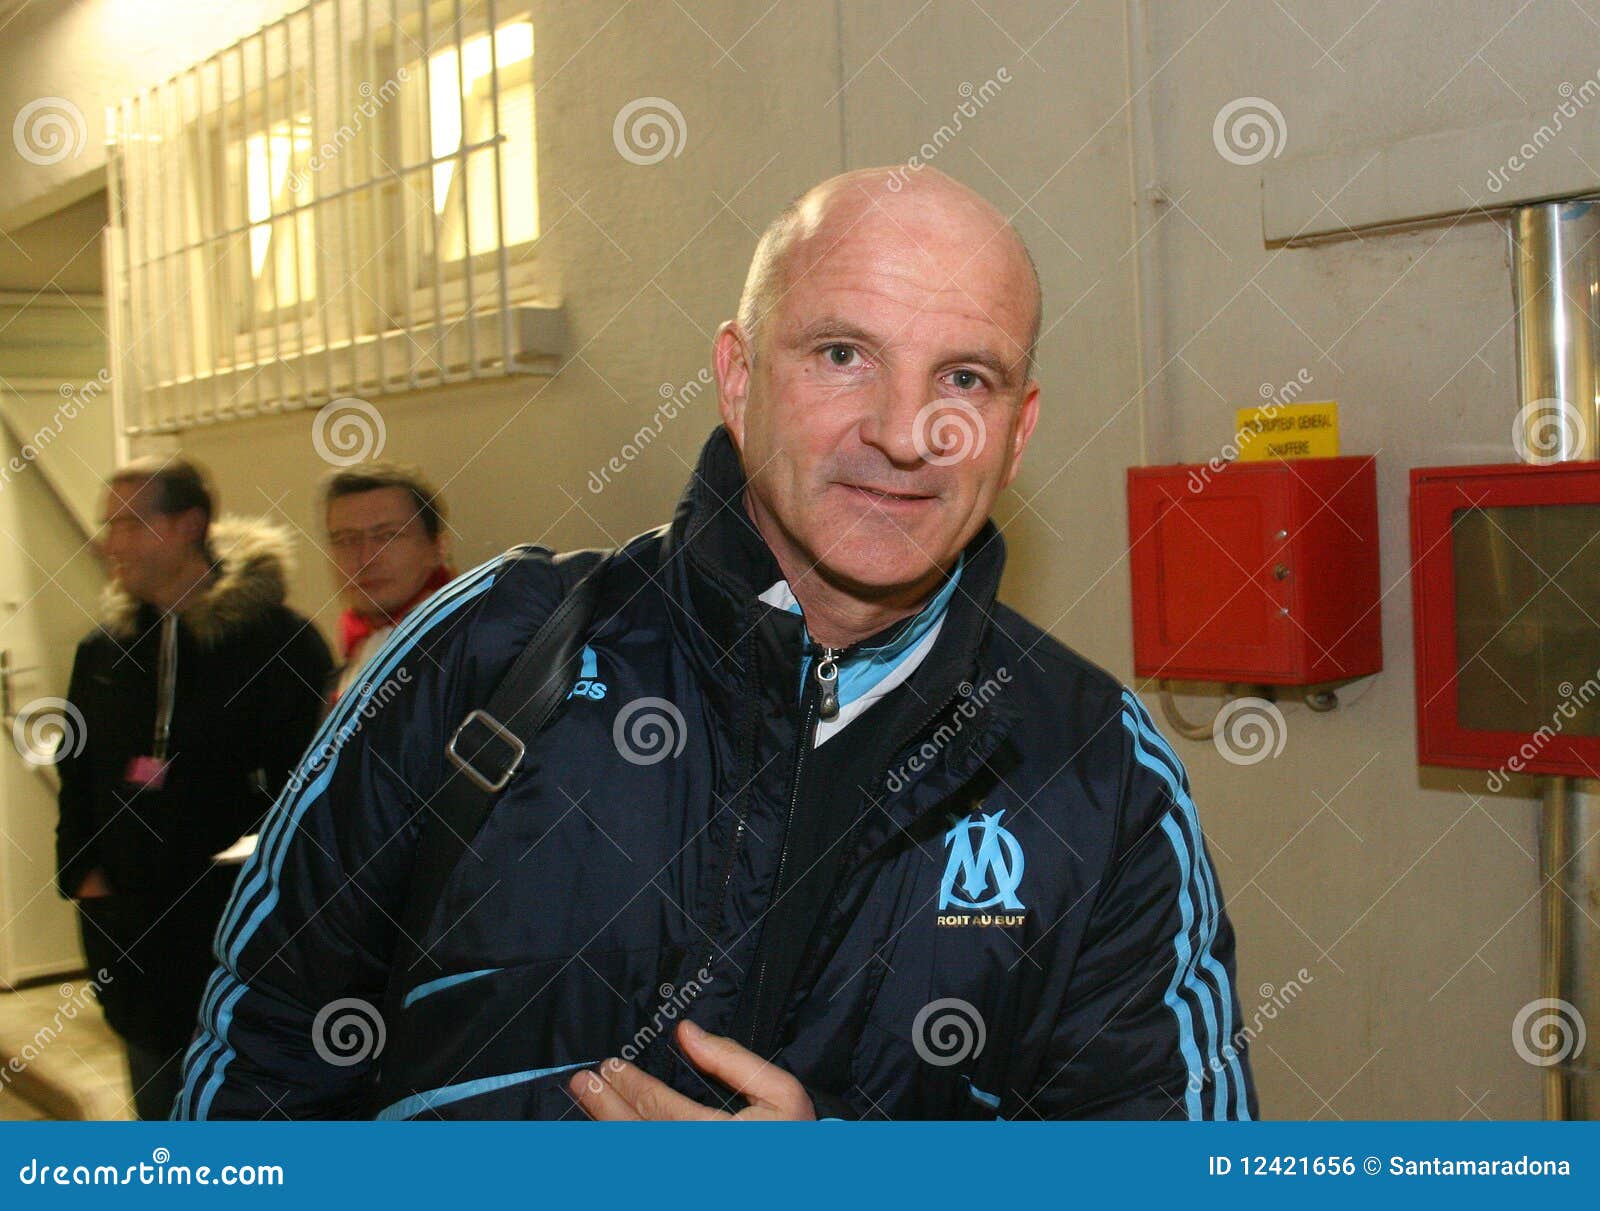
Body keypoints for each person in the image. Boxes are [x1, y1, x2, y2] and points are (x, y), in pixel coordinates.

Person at [175, 167, 1256, 1121]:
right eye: (842, 353)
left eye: (964, 377)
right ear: (738, 381)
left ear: (1016, 433)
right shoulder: (489, 655)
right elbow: (258, 1071)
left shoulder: (1098, 769)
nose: (902, 430)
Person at [55, 456, 333, 1119]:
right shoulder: (103, 653)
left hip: (237, 942)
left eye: (129, 522)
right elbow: (78, 773)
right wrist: (84, 877)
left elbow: (310, 789)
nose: (110, 542)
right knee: (159, 1113)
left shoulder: (279, 643)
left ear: (189, 525)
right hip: (133, 940)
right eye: (108, 523)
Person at [322, 462, 454, 702]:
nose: (366, 558)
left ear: (438, 548)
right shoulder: (341, 670)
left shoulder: (469, 653)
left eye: (387, 536)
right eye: (346, 540)